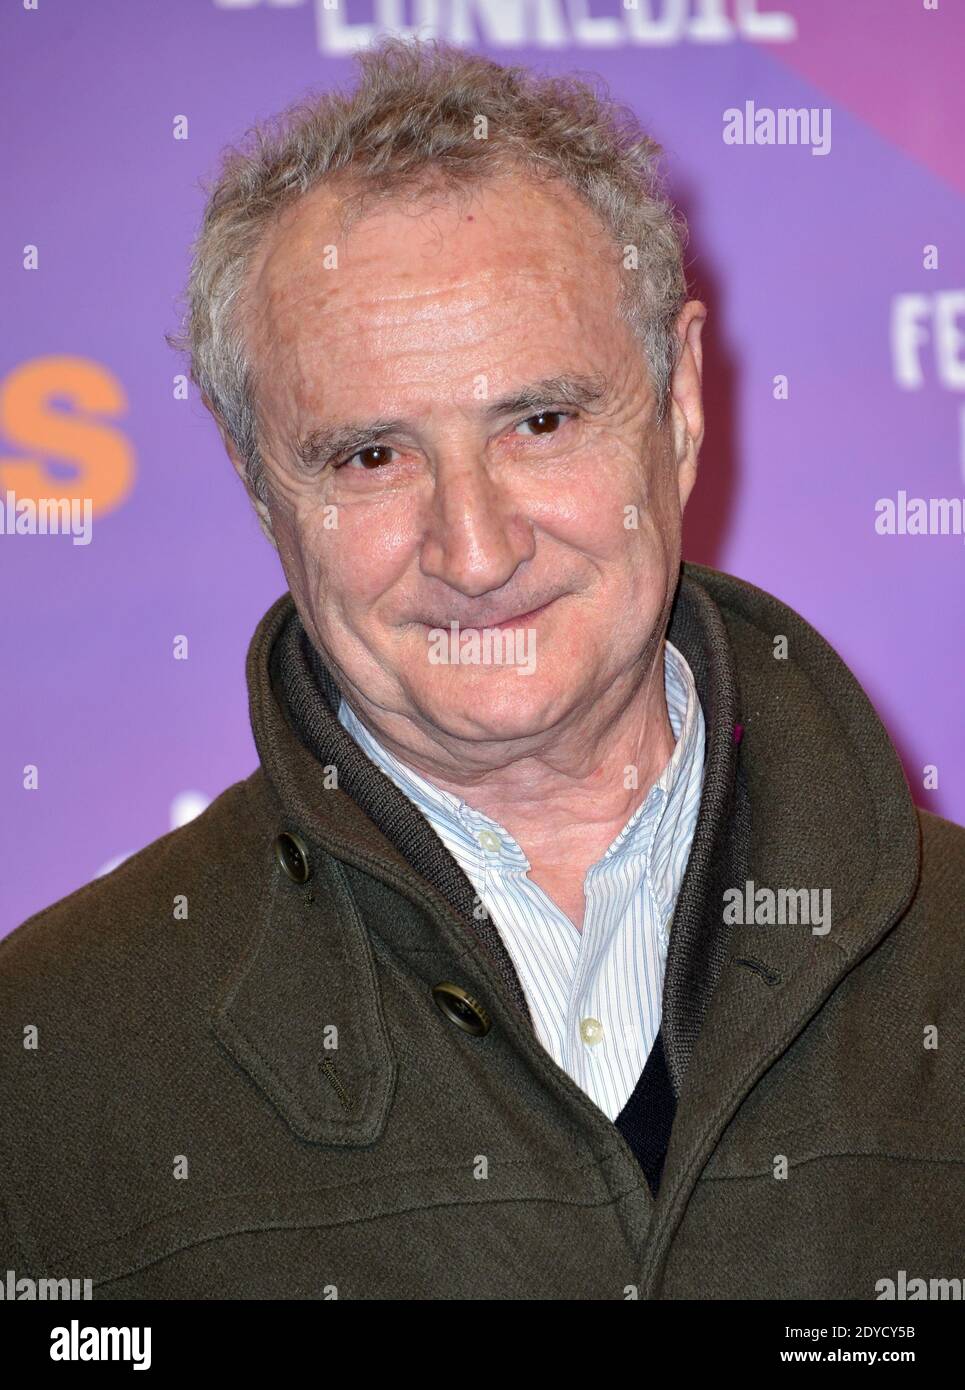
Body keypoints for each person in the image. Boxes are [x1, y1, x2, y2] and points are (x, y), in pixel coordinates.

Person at [2, 38, 962, 1301]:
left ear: (676, 406)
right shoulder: (53, 1060)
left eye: (540, 422)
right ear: (258, 491)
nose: (474, 548)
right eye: (369, 458)